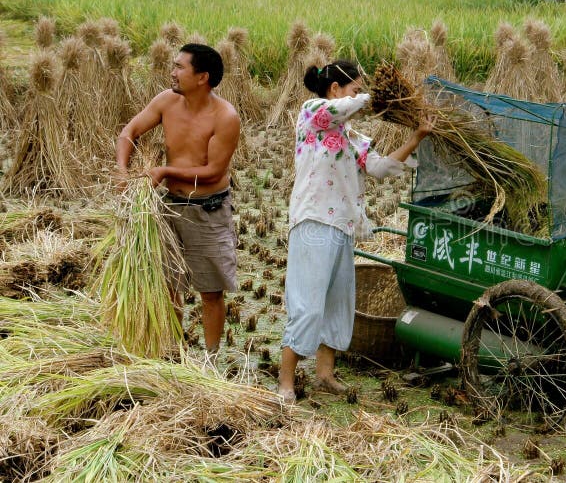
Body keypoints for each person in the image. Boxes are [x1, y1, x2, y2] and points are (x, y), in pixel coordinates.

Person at [278, 60, 432, 403]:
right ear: (336, 89)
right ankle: (286, 381)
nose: (359, 97)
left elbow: (380, 168)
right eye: (355, 89)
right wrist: (373, 98)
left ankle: (324, 374)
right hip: (313, 222)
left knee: (337, 303)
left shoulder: (354, 138)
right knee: (308, 304)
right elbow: (338, 110)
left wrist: (416, 137)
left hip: (342, 226)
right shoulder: (312, 114)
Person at [115, 43, 241, 356]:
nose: (173, 73)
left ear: (203, 78)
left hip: (207, 211)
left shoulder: (225, 117)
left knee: (210, 291)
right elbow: (130, 130)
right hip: (170, 206)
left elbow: (212, 172)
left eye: (180, 67)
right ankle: (173, 351)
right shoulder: (167, 101)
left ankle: (211, 358)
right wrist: (121, 170)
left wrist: (164, 170)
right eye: (174, 66)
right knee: (170, 284)